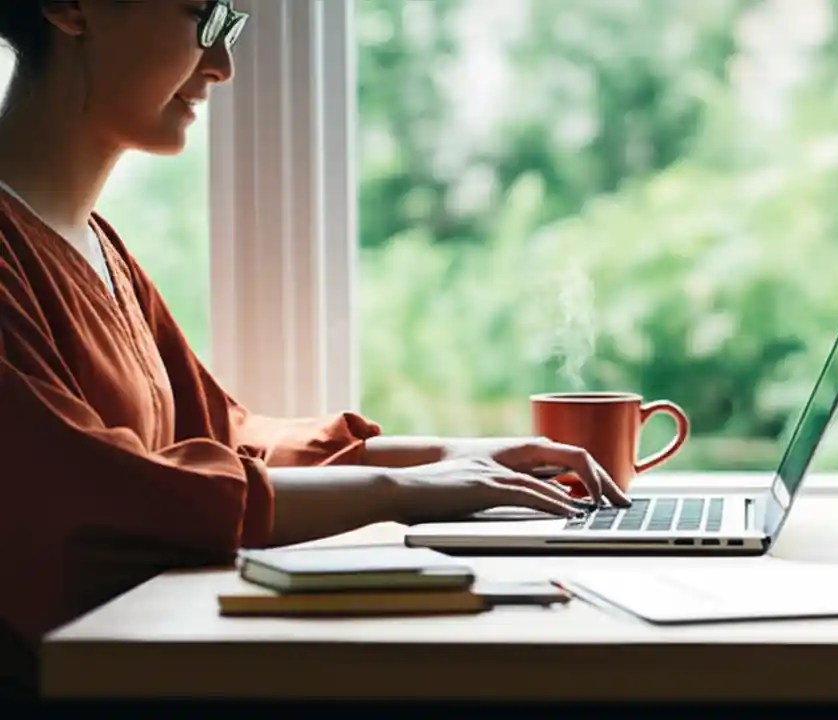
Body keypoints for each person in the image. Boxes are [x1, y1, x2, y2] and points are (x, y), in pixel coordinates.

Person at [0, 0, 629, 698]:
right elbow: (103, 491)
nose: (223, 66)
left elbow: (224, 438)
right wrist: (400, 491)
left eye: (230, 27)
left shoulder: (98, 247)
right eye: (202, 19)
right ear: (71, 7)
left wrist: (449, 456)